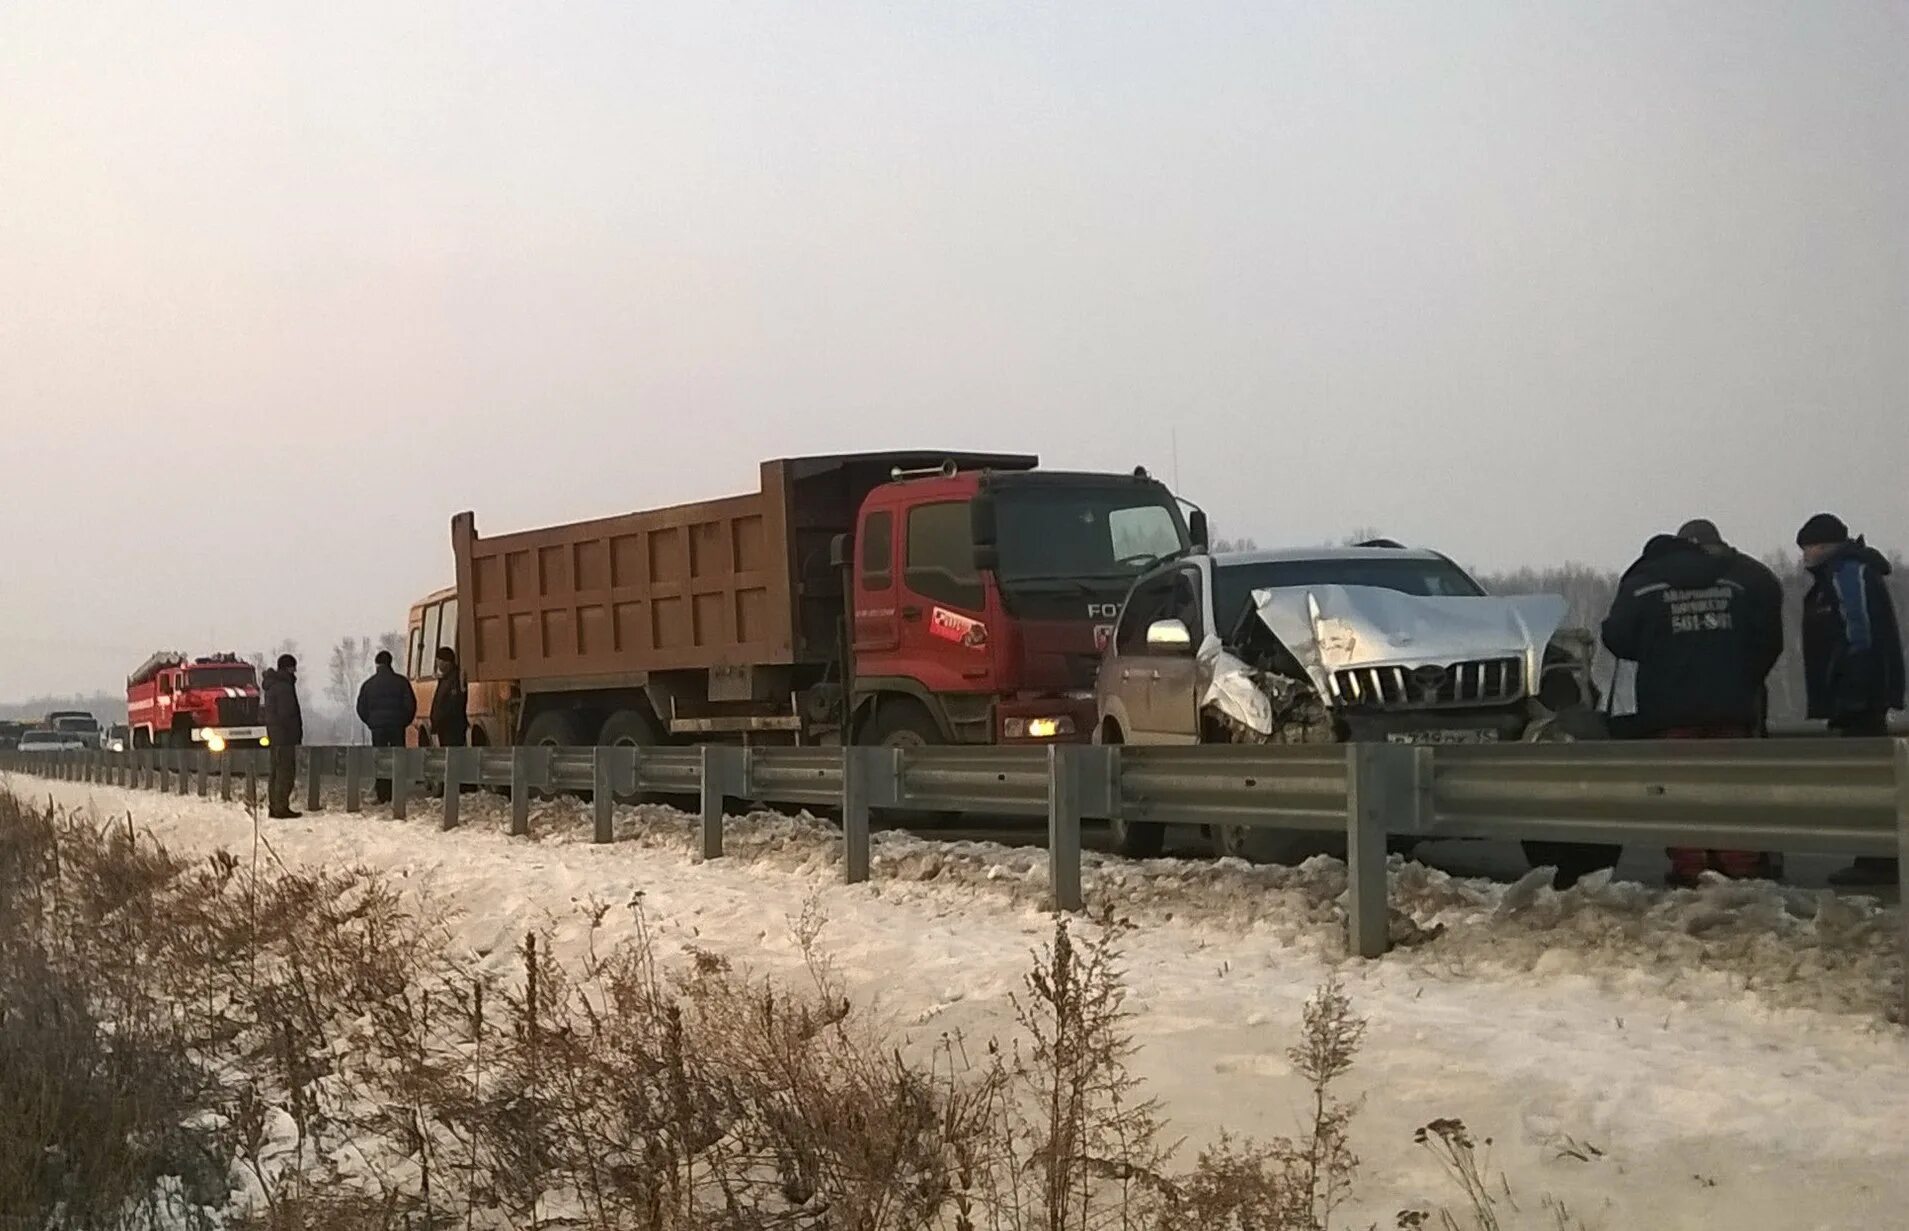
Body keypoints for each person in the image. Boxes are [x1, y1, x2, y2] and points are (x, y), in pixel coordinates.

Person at [1603, 525, 1779, 886]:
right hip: (1731, 705)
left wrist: (1655, 646)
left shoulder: (1642, 586)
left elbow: (1617, 637)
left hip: (1670, 708)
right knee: (1733, 788)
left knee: (1681, 789)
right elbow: (1762, 638)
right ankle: (1742, 868)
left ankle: (1692, 870)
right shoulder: (1732, 584)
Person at [1796, 514, 1905, 887]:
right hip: (1856, 692)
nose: (1806, 555)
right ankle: (1876, 855)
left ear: (1824, 545)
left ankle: (1879, 859)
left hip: (1860, 694)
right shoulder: (1842, 574)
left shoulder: (1847, 574)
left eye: (1808, 547)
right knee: (1868, 775)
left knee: (1868, 777)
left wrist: (1854, 687)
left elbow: (1860, 632)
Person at [356, 649, 418, 803]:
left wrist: (371, 722)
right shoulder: (402, 682)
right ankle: (398, 792)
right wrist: (403, 722)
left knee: (381, 760)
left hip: (378, 729)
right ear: (391, 663)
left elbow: (361, 708)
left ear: (376, 664)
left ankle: (383, 793)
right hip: (397, 727)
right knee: (398, 759)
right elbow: (411, 705)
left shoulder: (368, 684)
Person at [260, 653, 304, 818]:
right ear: (289, 668)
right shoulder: (284, 687)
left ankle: (275, 805)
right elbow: (287, 713)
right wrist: (295, 733)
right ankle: (281, 807)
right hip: (285, 736)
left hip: (275, 735)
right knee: (285, 772)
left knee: (275, 772)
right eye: (294, 668)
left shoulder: (272, 686)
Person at [431, 646, 469, 747]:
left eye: (438, 661)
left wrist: (440, 719)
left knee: (453, 756)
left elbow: (454, 704)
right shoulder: (444, 679)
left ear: (446, 662)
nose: (438, 664)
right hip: (444, 728)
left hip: (452, 728)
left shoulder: (455, 679)